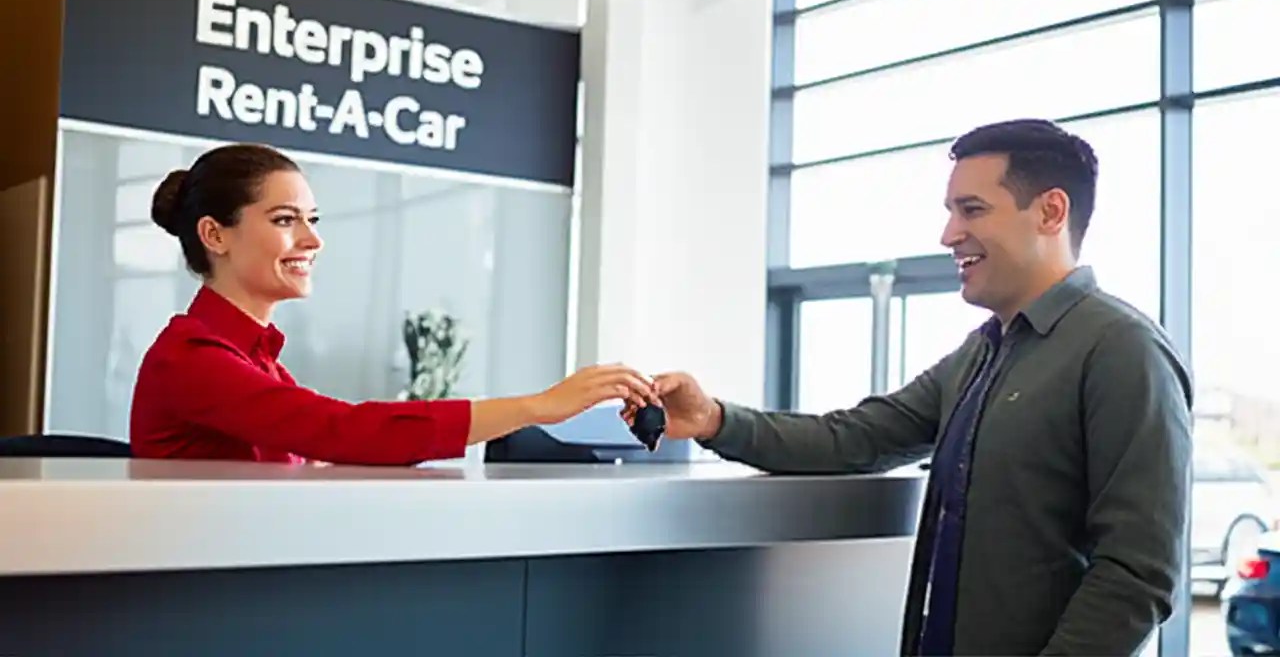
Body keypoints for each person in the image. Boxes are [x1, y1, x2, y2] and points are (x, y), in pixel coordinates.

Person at [636, 119, 1193, 656]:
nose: (949, 235)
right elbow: (853, 439)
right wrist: (712, 419)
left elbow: (1137, 572)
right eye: (951, 212)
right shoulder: (981, 353)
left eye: (971, 210)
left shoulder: (1122, 349)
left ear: (1050, 211)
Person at [131, 143, 655, 466]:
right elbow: (342, 430)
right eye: (286, 220)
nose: (312, 241)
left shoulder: (256, 359)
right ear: (214, 235)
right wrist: (538, 407)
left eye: (314, 220)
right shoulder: (192, 357)